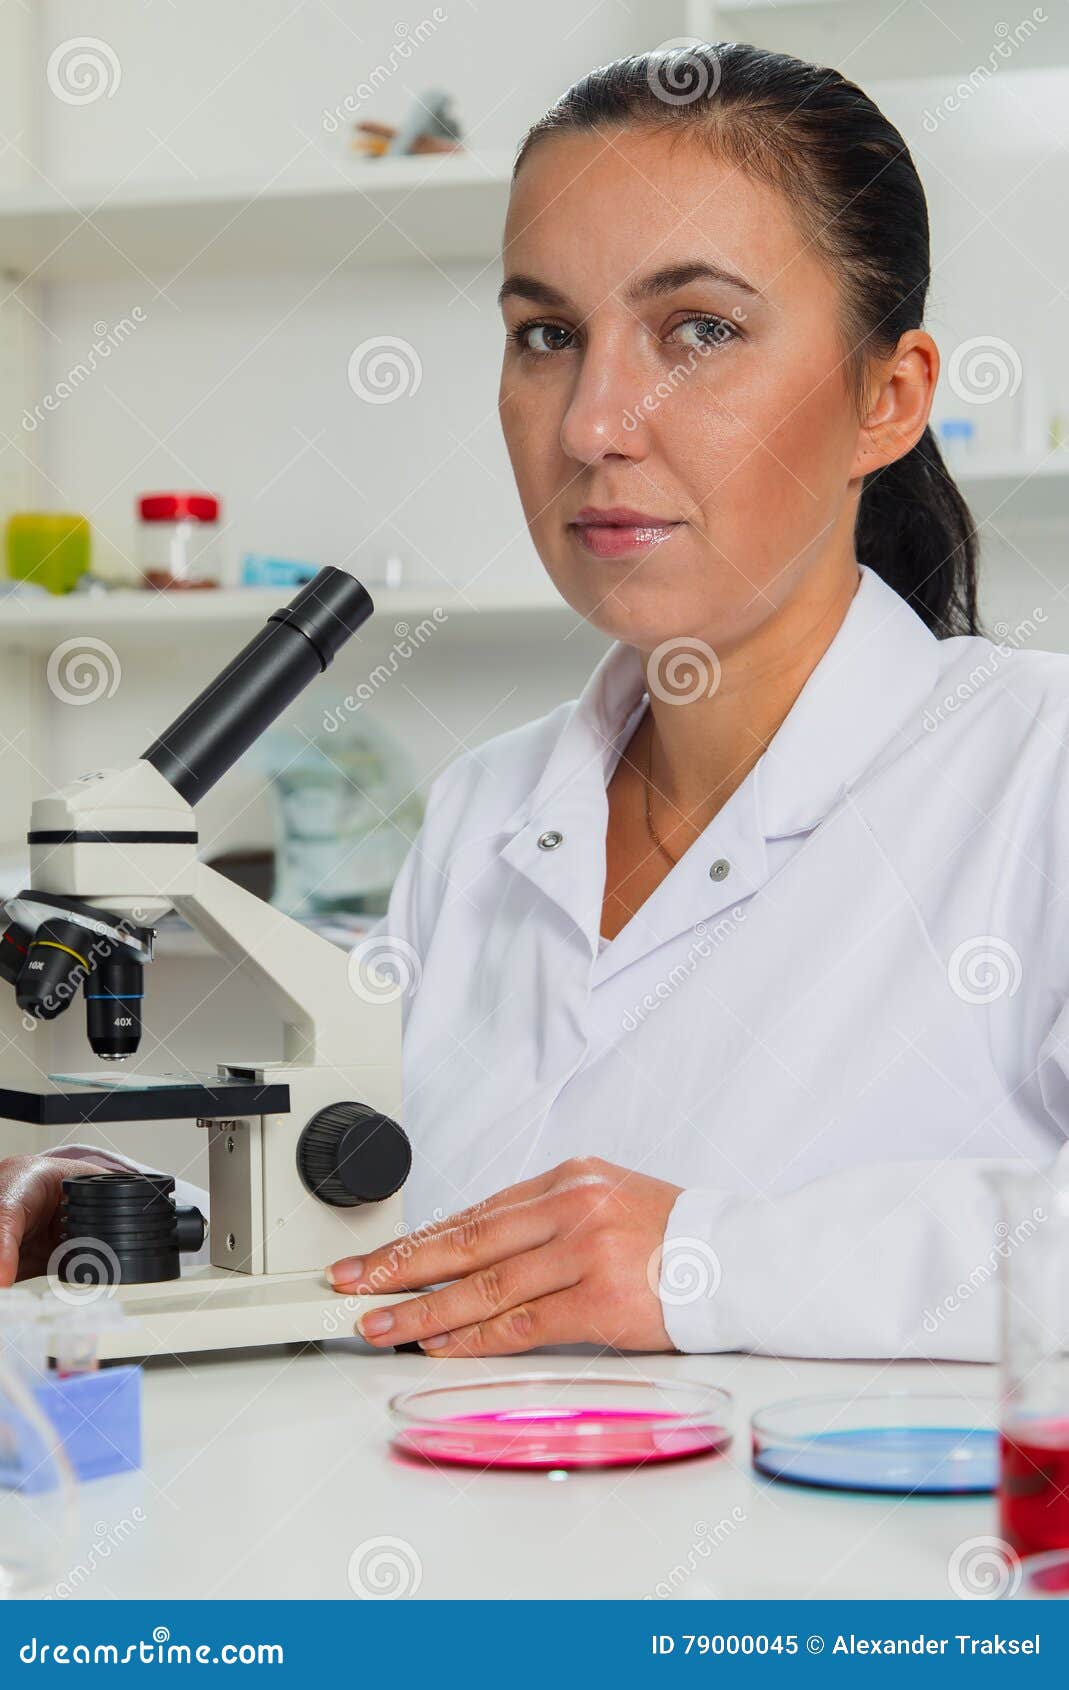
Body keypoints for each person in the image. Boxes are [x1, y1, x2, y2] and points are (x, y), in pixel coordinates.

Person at [2, 44, 1067, 1364]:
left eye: (698, 330)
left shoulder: (1034, 772)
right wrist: (117, 1218)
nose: (593, 424)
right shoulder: (487, 811)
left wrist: (699, 1261)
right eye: (546, 336)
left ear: (886, 398)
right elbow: (416, 1248)